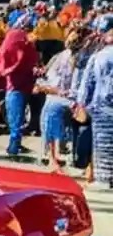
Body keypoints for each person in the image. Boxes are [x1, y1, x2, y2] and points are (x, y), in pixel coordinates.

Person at [38, 30, 83, 172]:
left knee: (50, 116)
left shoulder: (60, 58)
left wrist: (48, 88)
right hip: (74, 100)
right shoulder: (83, 58)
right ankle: (64, 156)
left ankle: (52, 156)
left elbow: (48, 81)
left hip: (60, 99)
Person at [76, 17, 113, 187]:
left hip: (100, 107)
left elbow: (86, 83)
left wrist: (81, 104)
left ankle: (103, 178)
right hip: (103, 106)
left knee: (101, 144)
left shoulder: (98, 56)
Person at [0, 15, 40, 157]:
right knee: (17, 116)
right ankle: (13, 146)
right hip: (20, 84)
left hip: (17, 83)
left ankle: (15, 144)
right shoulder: (20, 38)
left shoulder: (14, 37)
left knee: (16, 116)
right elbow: (20, 57)